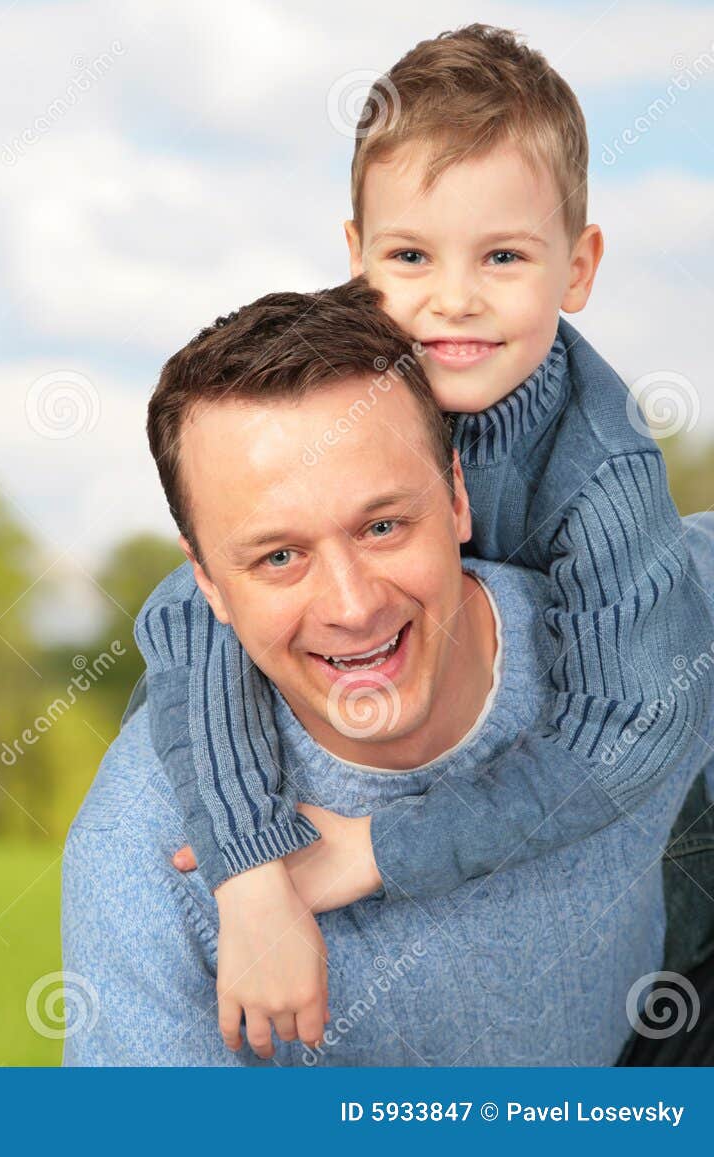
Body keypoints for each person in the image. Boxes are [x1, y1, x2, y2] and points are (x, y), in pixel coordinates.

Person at [131, 23, 714, 1058]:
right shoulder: (336, 403)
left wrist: (377, 850)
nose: (452, 299)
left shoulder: (602, 464)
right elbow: (192, 615)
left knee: (661, 989)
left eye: (501, 256)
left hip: (667, 822)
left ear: (576, 267)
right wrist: (250, 866)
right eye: (410, 255)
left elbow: (627, 731)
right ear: (355, 257)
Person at [61, 280, 714, 1065]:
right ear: (205, 583)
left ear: (458, 498)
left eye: (382, 524)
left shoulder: (644, 646)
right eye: (278, 556)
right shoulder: (142, 853)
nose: (352, 604)